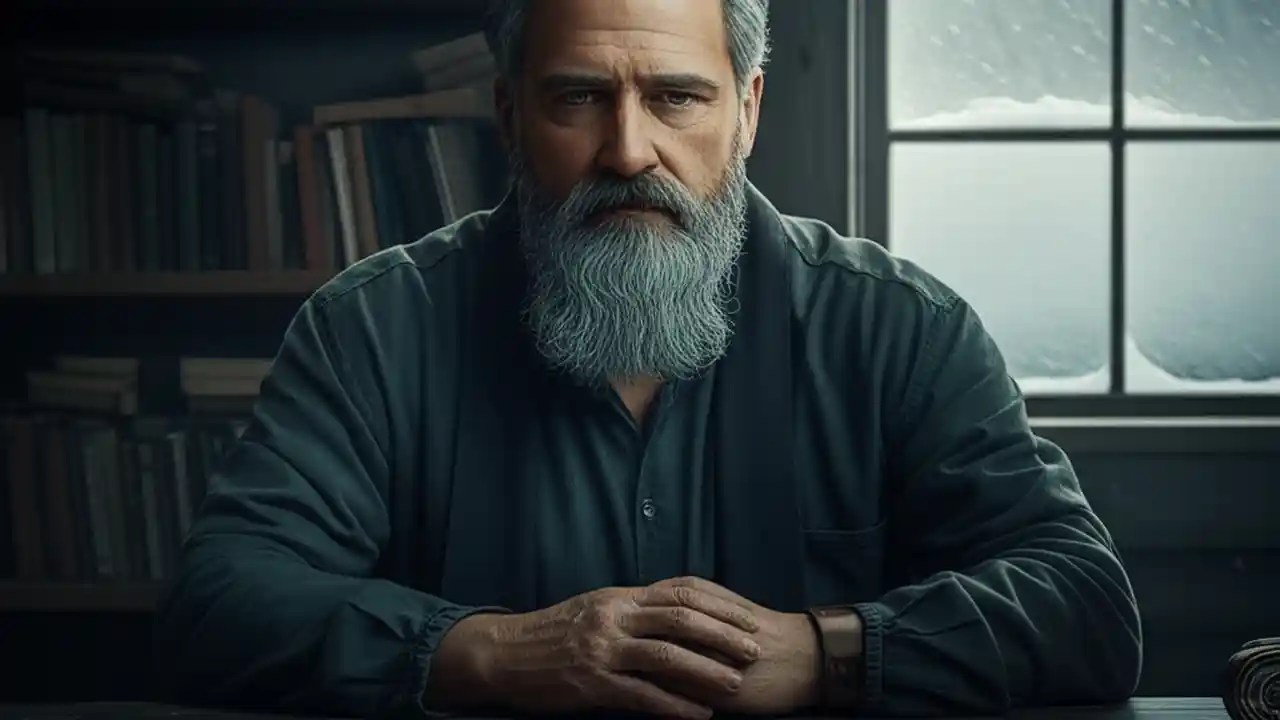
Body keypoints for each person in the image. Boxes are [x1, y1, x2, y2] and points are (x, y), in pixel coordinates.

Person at [154, 0, 1143, 717]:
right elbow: (219, 606)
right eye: (578, 98)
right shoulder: (373, 328)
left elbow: (1083, 608)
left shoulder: (898, 328)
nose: (627, 151)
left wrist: (825, 653)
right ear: (506, 115)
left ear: (745, 112)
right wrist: (493, 653)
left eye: (675, 98)